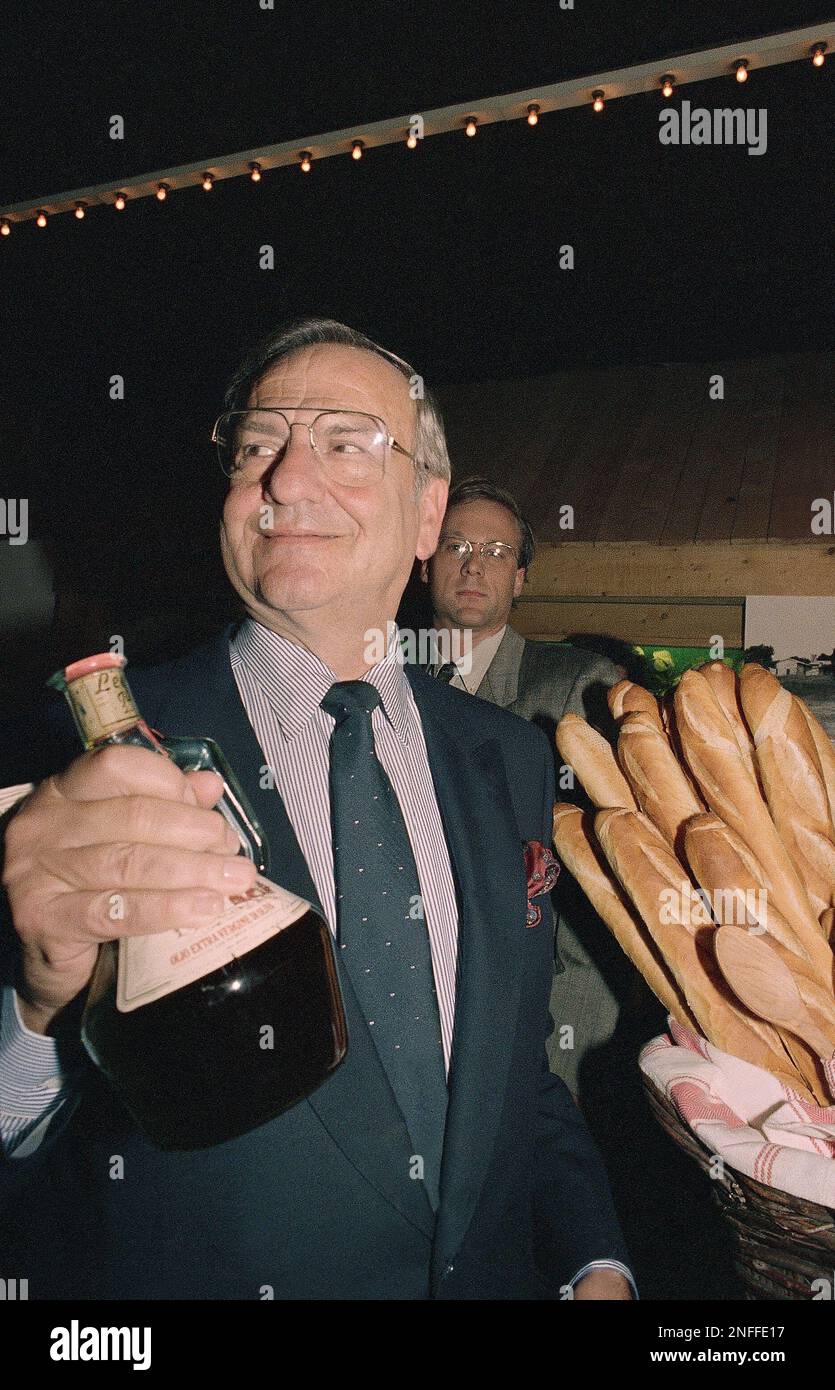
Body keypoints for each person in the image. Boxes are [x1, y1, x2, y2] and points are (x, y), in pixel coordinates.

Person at [0, 319, 632, 1300]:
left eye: (344, 442)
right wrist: (35, 1009)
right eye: (258, 446)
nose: (287, 480)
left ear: (428, 516)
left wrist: (596, 1257)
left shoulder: (506, 756)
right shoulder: (76, 747)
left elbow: (514, 1067)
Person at [421, 478, 648, 1100]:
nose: (473, 565)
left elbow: (618, 867)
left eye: (497, 552)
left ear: (520, 578)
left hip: (551, 1011)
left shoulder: (578, 683)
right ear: (424, 563)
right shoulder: (382, 682)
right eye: (455, 546)